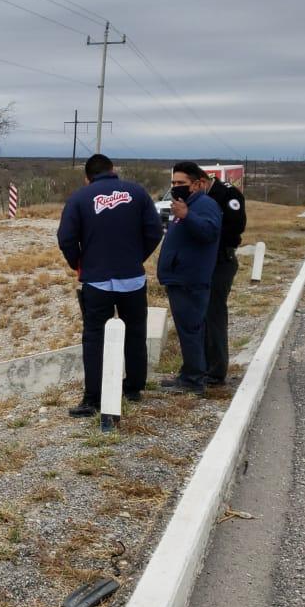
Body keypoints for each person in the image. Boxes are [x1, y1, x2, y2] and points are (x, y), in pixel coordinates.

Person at [57, 154, 163, 417]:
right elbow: (154, 231)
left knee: (94, 338)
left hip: (96, 281)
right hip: (133, 279)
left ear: (87, 177)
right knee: (135, 333)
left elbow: (66, 237)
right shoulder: (138, 193)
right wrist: (136, 257)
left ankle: (93, 398)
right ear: (113, 170)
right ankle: (134, 388)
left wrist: (78, 264)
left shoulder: (79, 198)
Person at [157, 162, 223, 394]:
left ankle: (193, 380)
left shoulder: (205, 205)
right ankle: (190, 373)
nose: (176, 186)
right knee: (188, 329)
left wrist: (187, 216)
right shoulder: (184, 205)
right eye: (173, 182)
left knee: (191, 329)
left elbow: (210, 232)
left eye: (181, 183)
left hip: (190, 279)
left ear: (197, 184)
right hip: (179, 278)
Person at [197, 175, 247, 386]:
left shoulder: (228, 194)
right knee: (201, 315)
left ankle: (216, 371)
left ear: (201, 181)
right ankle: (201, 365)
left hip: (220, 260)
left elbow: (236, 227)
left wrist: (207, 232)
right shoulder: (201, 197)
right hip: (204, 262)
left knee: (214, 313)